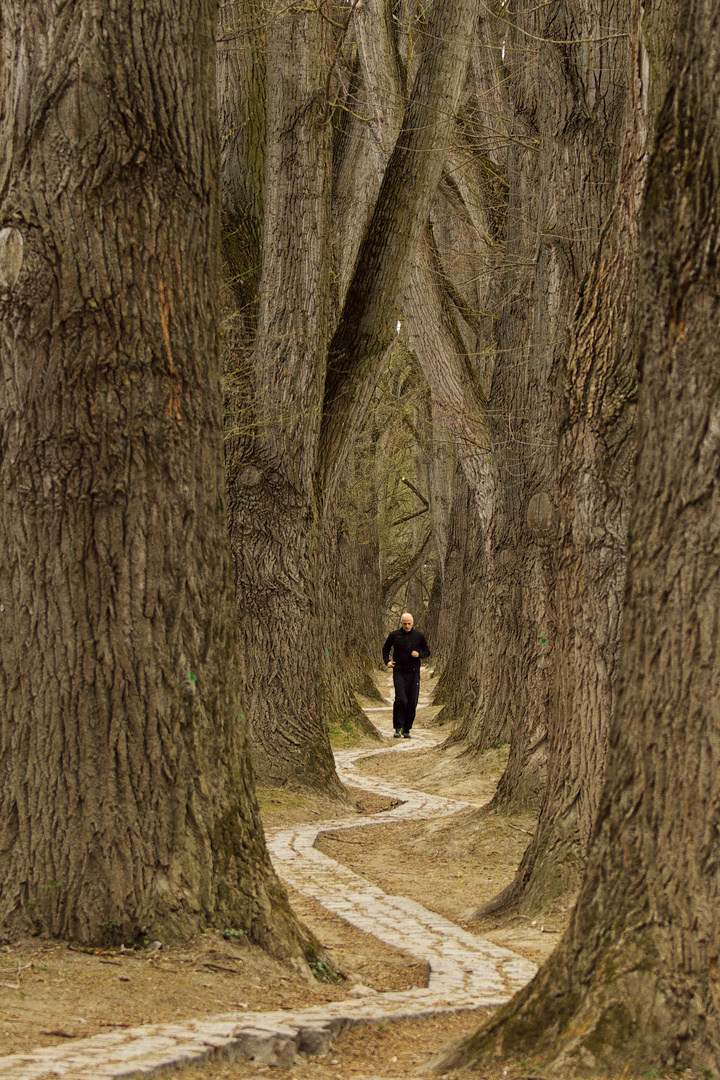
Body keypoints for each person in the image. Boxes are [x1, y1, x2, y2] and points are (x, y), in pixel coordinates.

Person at [382, 612, 430, 739]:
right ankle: (398, 727)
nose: (407, 626)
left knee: (412, 701)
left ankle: (407, 729)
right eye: (405, 624)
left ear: (412, 623)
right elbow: (386, 648)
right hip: (399, 671)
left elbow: (427, 651)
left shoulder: (419, 636)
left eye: (409, 623)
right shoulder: (394, 635)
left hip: (414, 672)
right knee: (401, 699)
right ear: (401, 623)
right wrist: (387, 661)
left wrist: (419, 654)